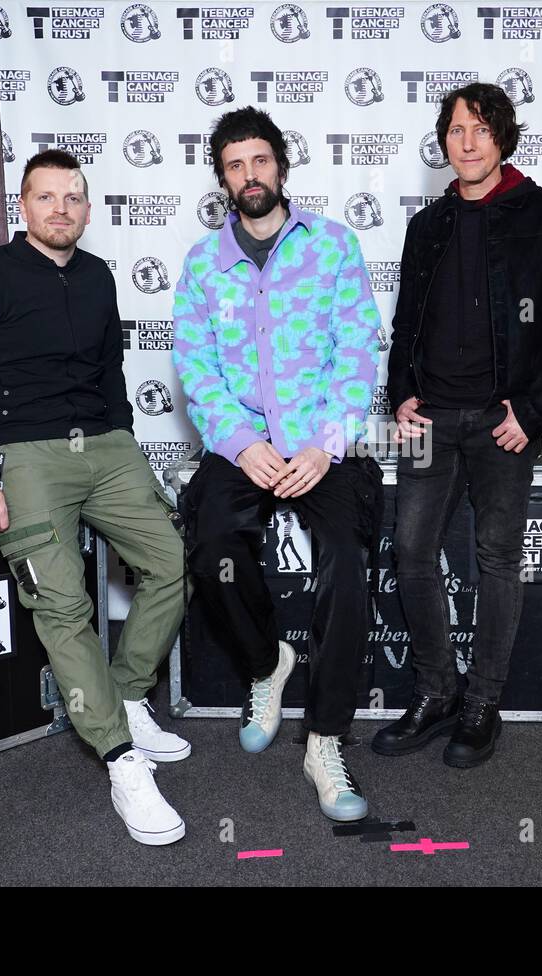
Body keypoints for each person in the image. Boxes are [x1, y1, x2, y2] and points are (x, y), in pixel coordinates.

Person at [0, 150, 189, 845]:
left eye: (73, 198)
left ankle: (129, 694)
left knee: (171, 562)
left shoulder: (100, 275)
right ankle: (119, 757)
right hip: (25, 453)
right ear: (24, 206)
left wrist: (126, 442)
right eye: (47, 197)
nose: (61, 210)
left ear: (85, 206)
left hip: (104, 446)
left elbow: (111, 371)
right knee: (65, 603)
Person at [172, 107, 383, 822]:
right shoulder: (205, 264)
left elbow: (358, 352)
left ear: (281, 167)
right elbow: (196, 369)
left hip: (323, 443)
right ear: (222, 178)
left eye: (259, 161)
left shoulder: (331, 246)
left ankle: (325, 738)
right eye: (234, 165)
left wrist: (327, 442)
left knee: (349, 565)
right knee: (211, 553)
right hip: (245, 445)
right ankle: (268, 665)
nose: (249, 175)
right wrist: (240, 442)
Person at [374, 83, 542, 767]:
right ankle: (437, 692)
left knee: (497, 559)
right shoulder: (426, 226)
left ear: (502, 137)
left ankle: (482, 704)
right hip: (431, 417)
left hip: (503, 421)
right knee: (411, 554)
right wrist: (400, 393)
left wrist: (531, 411)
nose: (466, 141)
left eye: (480, 128)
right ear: (443, 140)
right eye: (455, 129)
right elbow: (406, 322)